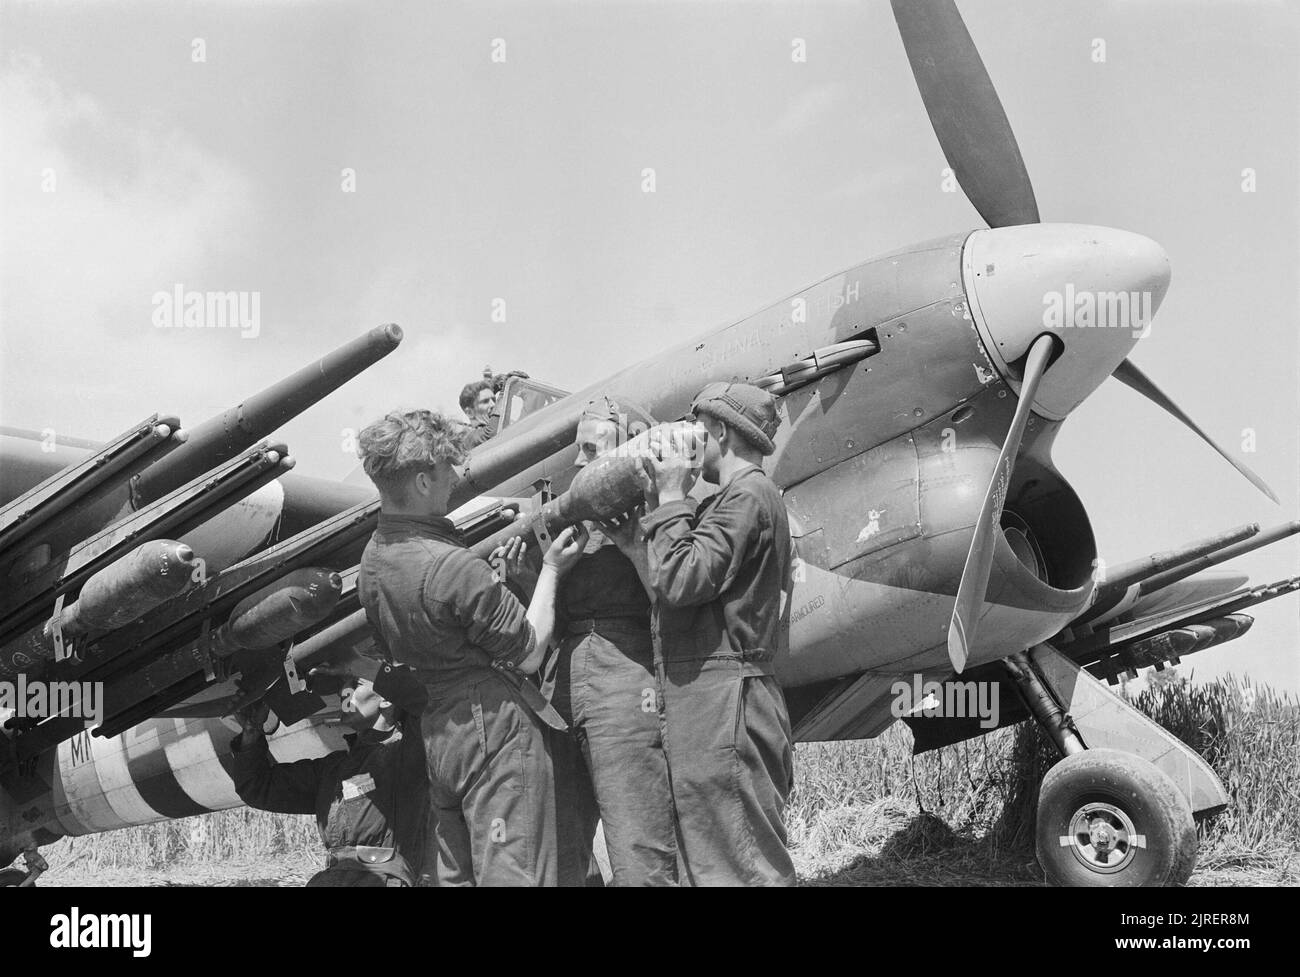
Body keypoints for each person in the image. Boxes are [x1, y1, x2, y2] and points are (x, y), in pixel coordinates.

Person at [354, 408, 587, 886]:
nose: (456, 476)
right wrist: (551, 571)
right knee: (515, 868)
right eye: (446, 469)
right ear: (421, 482)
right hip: (494, 725)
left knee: (455, 871)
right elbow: (528, 651)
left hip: (440, 728)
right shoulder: (454, 567)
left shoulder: (371, 561)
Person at [637, 381, 796, 886]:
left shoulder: (747, 495)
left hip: (726, 704)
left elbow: (682, 581)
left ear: (721, 430)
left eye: (696, 430)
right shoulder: (728, 501)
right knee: (714, 860)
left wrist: (668, 495)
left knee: (742, 864)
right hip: (710, 702)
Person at [549, 395, 678, 886]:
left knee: (637, 841)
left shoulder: (663, 516)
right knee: (559, 841)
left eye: (591, 450)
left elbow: (674, 602)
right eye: (577, 450)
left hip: (628, 682)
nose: (579, 462)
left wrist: (632, 547)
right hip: (561, 680)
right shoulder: (570, 519)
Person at [225, 655, 429, 887]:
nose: (344, 691)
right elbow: (259, 788)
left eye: (356, 683)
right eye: (344, 683)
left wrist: (364, 665)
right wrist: (252, 733)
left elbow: (425, 703)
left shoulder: (409, 753)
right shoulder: (333, 769)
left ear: (387, 700)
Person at [458, 380, 497, 448]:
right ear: (470, 412)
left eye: (494, 400)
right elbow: (491, 432)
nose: (493, 404)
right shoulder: (469, 439)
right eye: (485, 401)